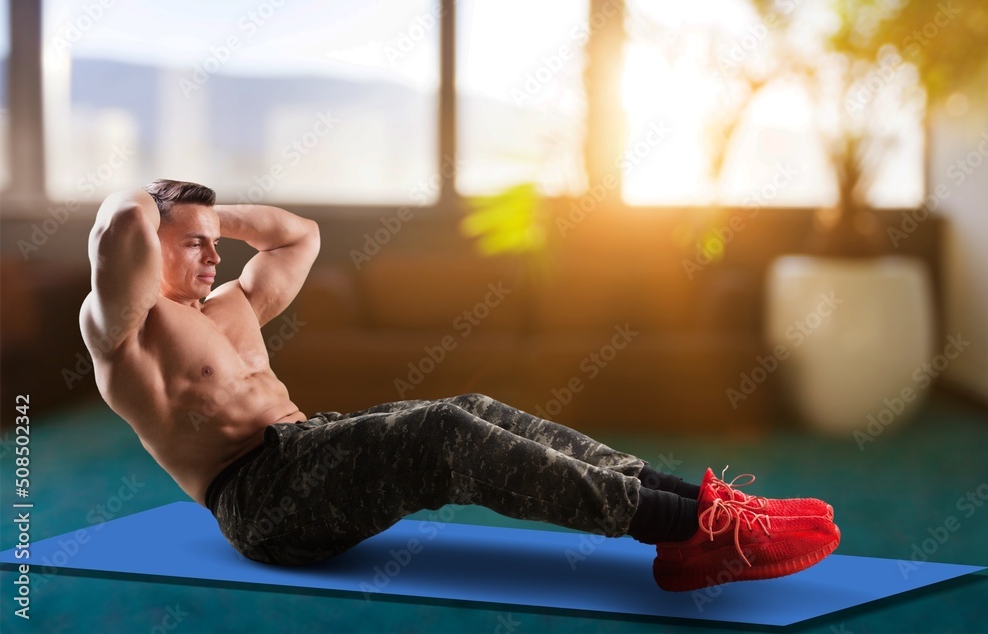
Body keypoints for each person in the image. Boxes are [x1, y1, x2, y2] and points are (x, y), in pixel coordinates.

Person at [80, 179, 840, 593]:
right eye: (194, 244)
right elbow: (118, 230)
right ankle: (687, 533)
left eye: (219, 243)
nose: (214, 255)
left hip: (307, 445)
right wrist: (158, 200)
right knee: (445, 438)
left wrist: (211, 215)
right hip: (260, 499)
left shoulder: (234, 305)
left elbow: (300, 234)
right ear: (152, 243)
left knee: (468, 409)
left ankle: (700, 509)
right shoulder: (128, 332)